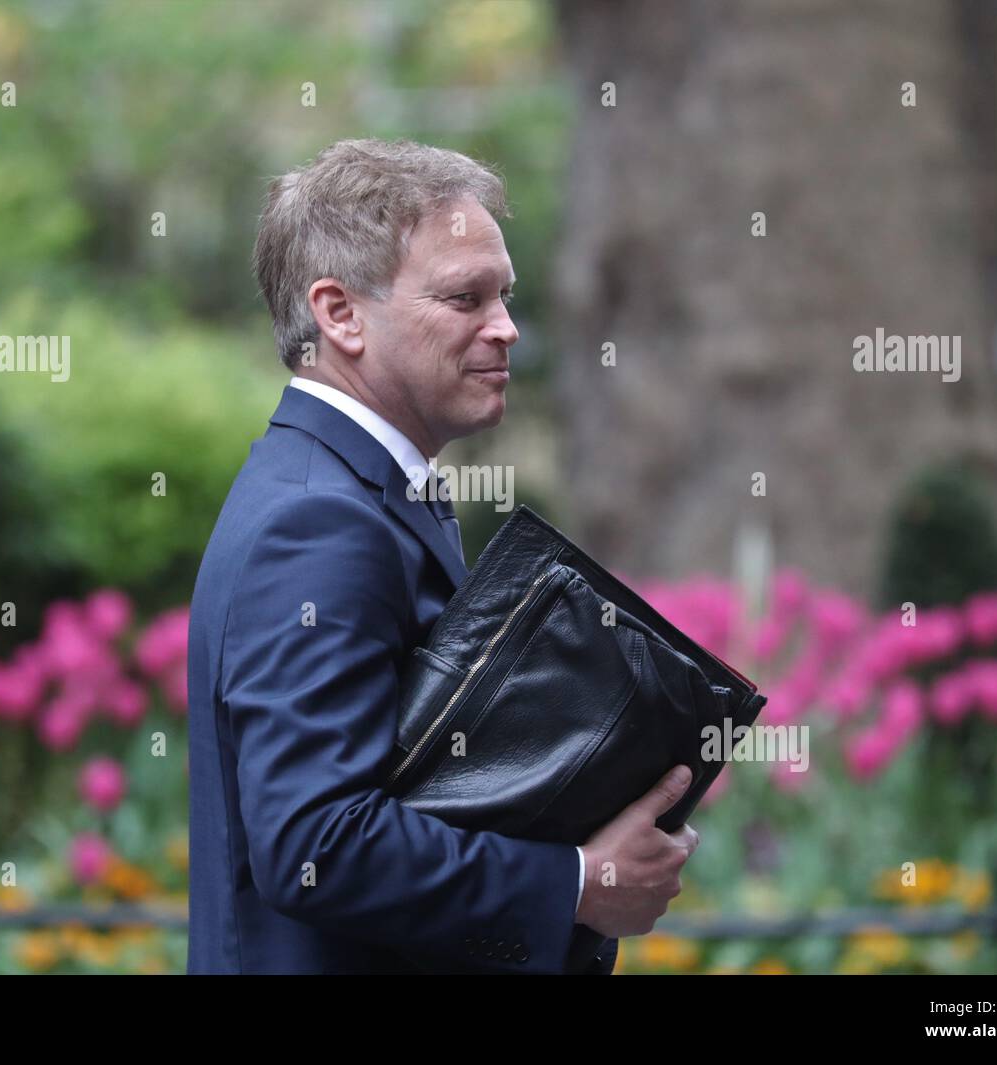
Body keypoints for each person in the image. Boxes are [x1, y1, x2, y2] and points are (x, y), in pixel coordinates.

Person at [187, 138, 699, 974]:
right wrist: (575, 882)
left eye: (504, 295)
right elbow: (314, 842)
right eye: (465, 298)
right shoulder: (321, 520)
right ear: (339, 313)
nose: (507, 329)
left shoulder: (349, 486)